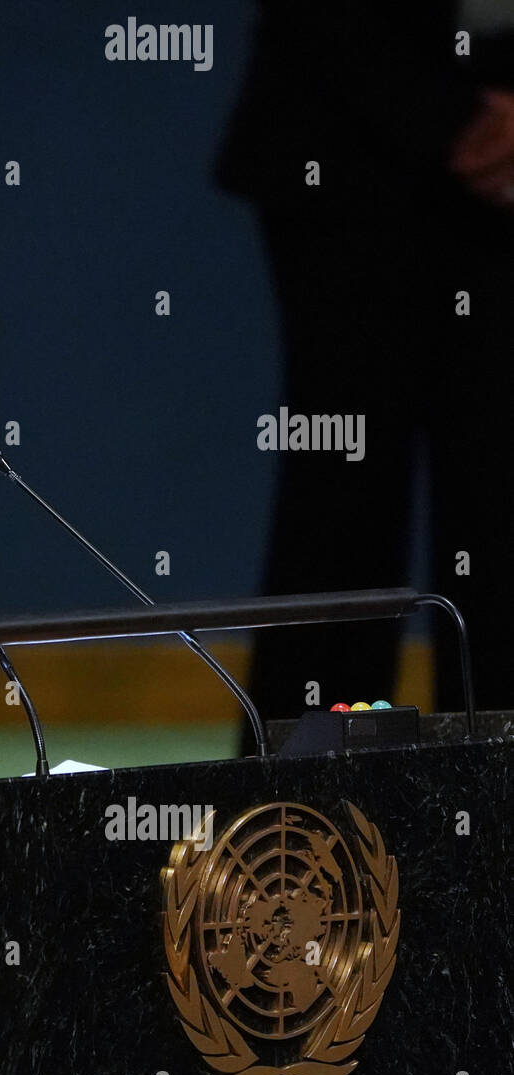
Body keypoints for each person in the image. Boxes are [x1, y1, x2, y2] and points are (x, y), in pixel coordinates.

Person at [217, 3, 514, 733]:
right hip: (345, 149)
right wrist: (462, 117)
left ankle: (491, 800)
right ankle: (299, 823)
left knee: (503, 511)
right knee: (341, 510)